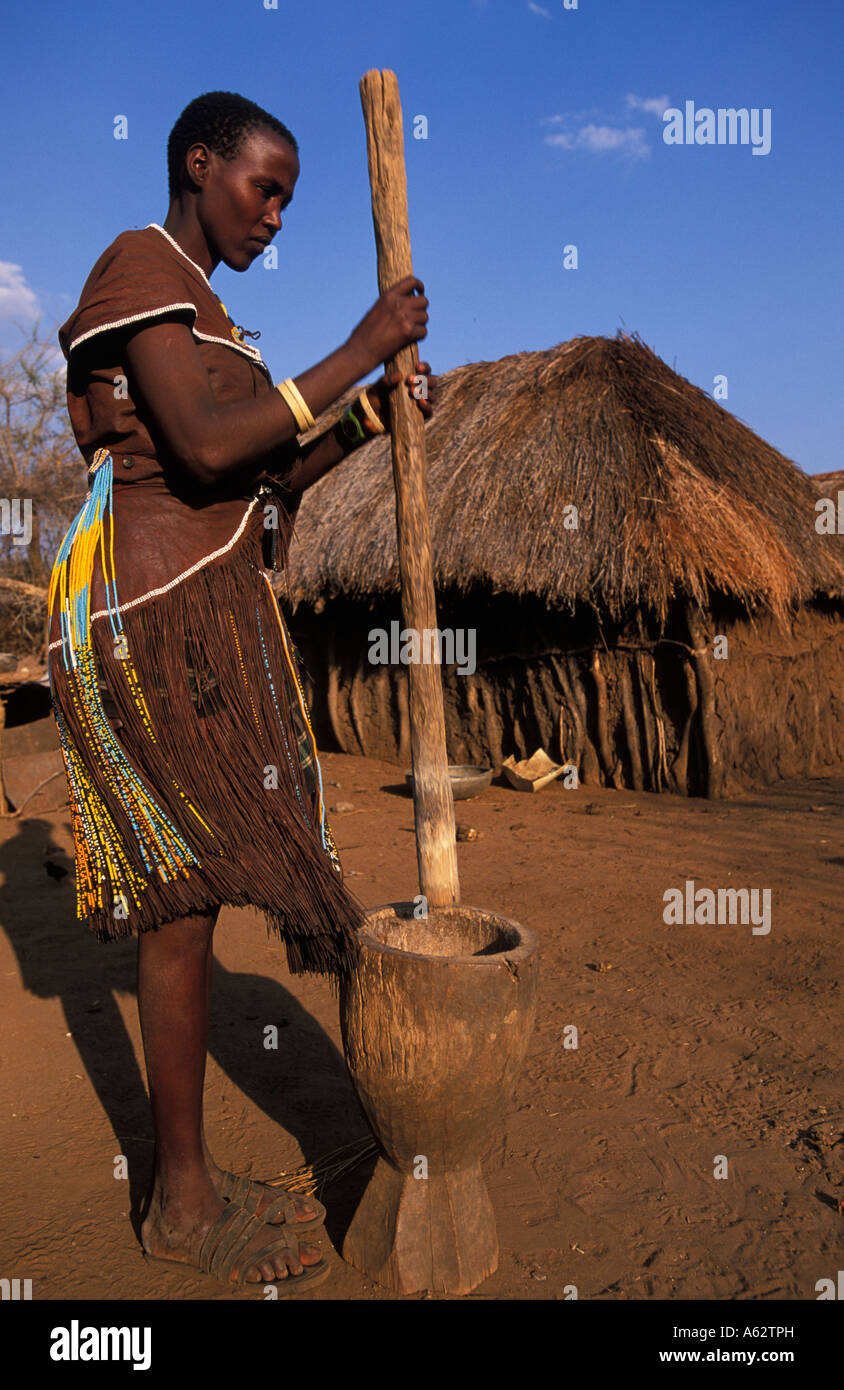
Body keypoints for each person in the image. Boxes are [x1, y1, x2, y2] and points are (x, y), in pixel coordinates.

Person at [48, 89, 436, 1292]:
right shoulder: (138, 267)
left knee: (190, 903)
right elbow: (210, 450)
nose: (273, 214)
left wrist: (372, 418)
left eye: (287, 199)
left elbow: (262, 490)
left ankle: (183, 1188)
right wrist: (363, 345)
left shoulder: (216, 319)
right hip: (150, 624)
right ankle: (179, 1201)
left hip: (197, 609)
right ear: (197, 163)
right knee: (177, 906)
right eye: (261, 186)